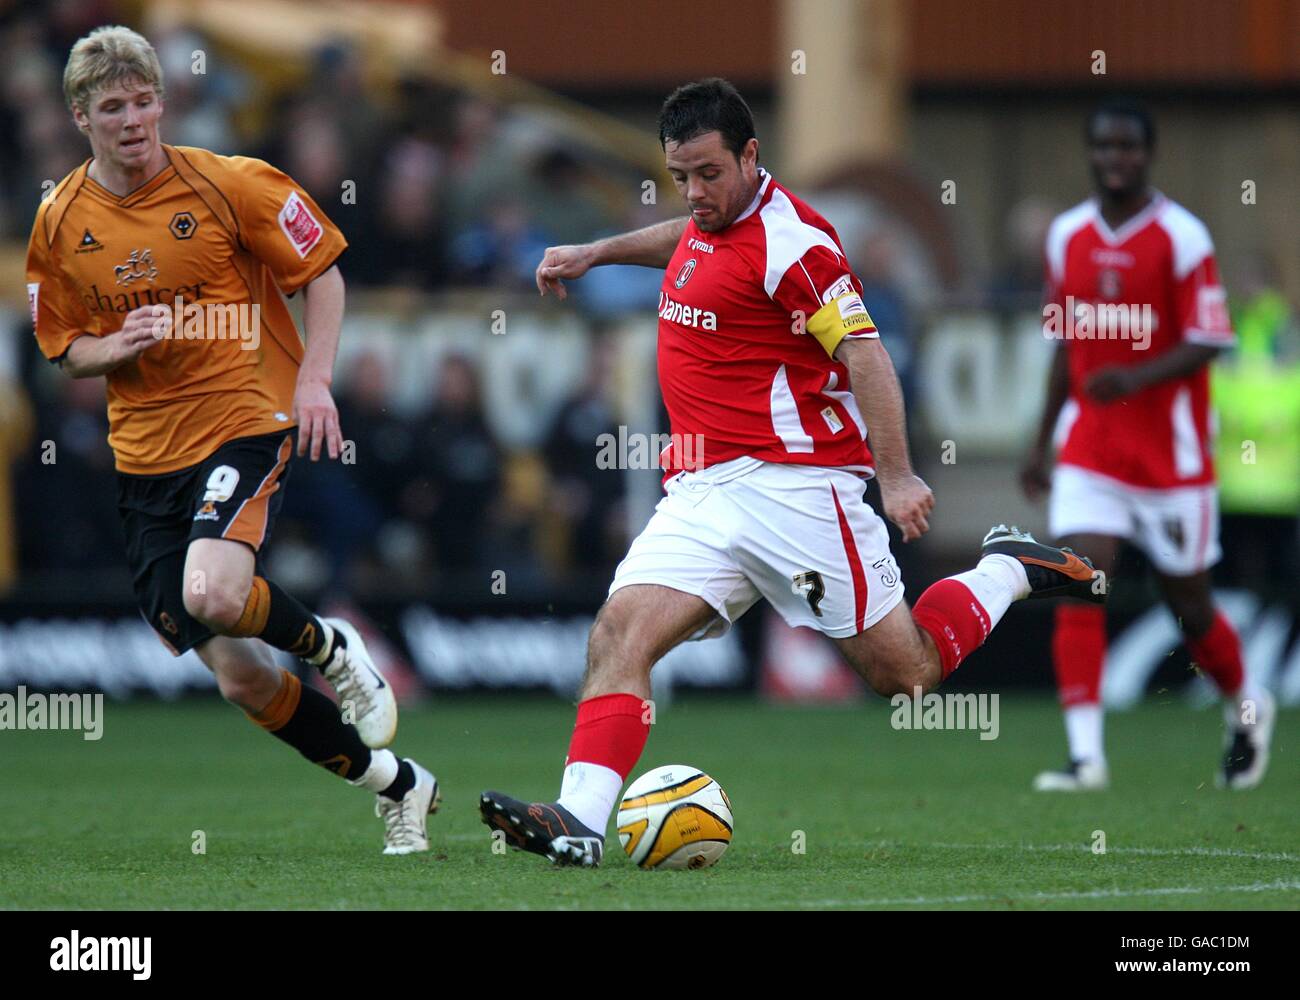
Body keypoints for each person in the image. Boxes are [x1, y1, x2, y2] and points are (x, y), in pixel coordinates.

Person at [479, 78, 1104, 867]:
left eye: (709, 173)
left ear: (751, 154)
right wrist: (598, 250)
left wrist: (899, 475)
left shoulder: (798, 245)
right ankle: (579, 821)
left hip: (797, 487)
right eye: (681, 176)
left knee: (905, 675)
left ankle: (1009, 570)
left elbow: (867, 355)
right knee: (618, 634)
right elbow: (690, 237)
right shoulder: (711, 218)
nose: (696, 193)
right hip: (700, 492)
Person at [25, 25, 438, 853]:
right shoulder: (61, 219)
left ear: (162, 103)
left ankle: (331, 644)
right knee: (243, 678)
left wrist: (315, 380)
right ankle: (399, 785)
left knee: (215, 592)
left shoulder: (229, 184)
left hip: (245, 420)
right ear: (81, 116)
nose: (134, 120)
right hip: (146, 463)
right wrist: (116, 348)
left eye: (145, 102)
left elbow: (322, 270)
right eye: (114, 107)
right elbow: (64, 350)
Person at [1020, 98, 1275, 792]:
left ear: (1148, 153)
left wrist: (1135, 374)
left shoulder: (1182, 236)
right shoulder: (1067, 235)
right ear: (1091, 152)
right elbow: (1062, 345)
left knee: (1190, 606)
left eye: (1128, 147)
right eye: (1103, 146)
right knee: (1077, 578)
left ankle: (1248, 706)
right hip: (1091, 450)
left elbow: (1209, 339)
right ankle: (1085, 757)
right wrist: (1040, 443)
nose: (1115, 159)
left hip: (1172, 460)